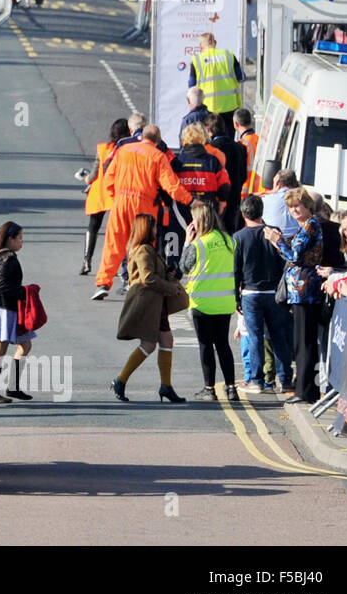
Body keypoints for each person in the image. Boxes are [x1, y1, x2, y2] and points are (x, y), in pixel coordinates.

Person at [94, 125, 192, 300]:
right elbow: (171, 186)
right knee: (143, 245)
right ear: (158, 140)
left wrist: (115, 198)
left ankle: (103, 282)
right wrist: (190, 200)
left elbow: (108, 179)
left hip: (121, 201)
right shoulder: (157, 156)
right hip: (143, 205)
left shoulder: (123, 150)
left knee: (113, 242)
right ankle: (137, 281)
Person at [111, 213, 187, 403]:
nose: (156, 230)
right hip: (149, 303)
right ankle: (122, 380)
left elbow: (153, 273)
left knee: (164, 341)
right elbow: (148, 278)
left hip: (154, 303)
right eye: (153, 227)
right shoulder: (144, 250)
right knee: (151, 344)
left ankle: (165, 386)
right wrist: (171, 288)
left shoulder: (145, 249)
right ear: (146, 229)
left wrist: (167, 272)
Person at [264, 188, 325, 404]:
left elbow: (295, 255)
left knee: (305, 342)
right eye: (290, 207)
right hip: (299, 291)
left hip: (306, 290)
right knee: (301, 341)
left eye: (298, 205)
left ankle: (305, 391)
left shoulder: (310, 225)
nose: (294, 210)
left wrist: (275, 241)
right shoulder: (304, 226)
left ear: (307, 205)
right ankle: (305, 389)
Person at [234, 193, 295, 397]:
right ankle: (285, 380)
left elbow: (236, 271)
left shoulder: (239, 237)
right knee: (278, 336)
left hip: (250, 293)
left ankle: (256, 380)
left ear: (243, 213)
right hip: (274, 293)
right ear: (262, 211)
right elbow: (283, 263)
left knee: (255, 337)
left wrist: (236, 297)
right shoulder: (274, 233)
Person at [181, 201, 239, 400]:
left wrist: (187, 241)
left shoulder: (198, 245)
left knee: (206, 346)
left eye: (193, 220)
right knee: (223, 344)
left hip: (202, 304)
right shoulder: (229, 241)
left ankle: (209, 389)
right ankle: (232, 388)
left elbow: (184, 267)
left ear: (199, 221)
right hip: (224, 302)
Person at [0, 221, 34, 402]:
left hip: (8, 308)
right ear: (9, 239)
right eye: (19, 238)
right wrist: (23, 291)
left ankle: (13, 387)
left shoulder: (2, 255)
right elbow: (2, 284)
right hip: (4, 309)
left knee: (25, 345)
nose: (21, 242)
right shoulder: (6, 258)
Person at [81, 119, 128, 275]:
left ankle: (87, 260)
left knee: (93, 226)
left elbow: (93, 175)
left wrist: (85, 178)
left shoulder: (102, 149)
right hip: (119, 193)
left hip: (100, 192)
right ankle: (122, 266)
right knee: (120, 230)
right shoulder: (128, 149)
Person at [188, 33, 244, 134]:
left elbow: (191, 86)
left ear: (201, 46)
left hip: (208, 109)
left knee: (211, 143)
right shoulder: (229, 56)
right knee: (227, 142)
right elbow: (241, 77)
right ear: (215, 43)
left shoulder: (197, 60)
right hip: (229, 106)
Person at [234, 108, 264, 198]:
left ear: (236, 124)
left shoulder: (241, 144)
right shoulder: (260, 139)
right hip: (261, 189)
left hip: (246, 192)